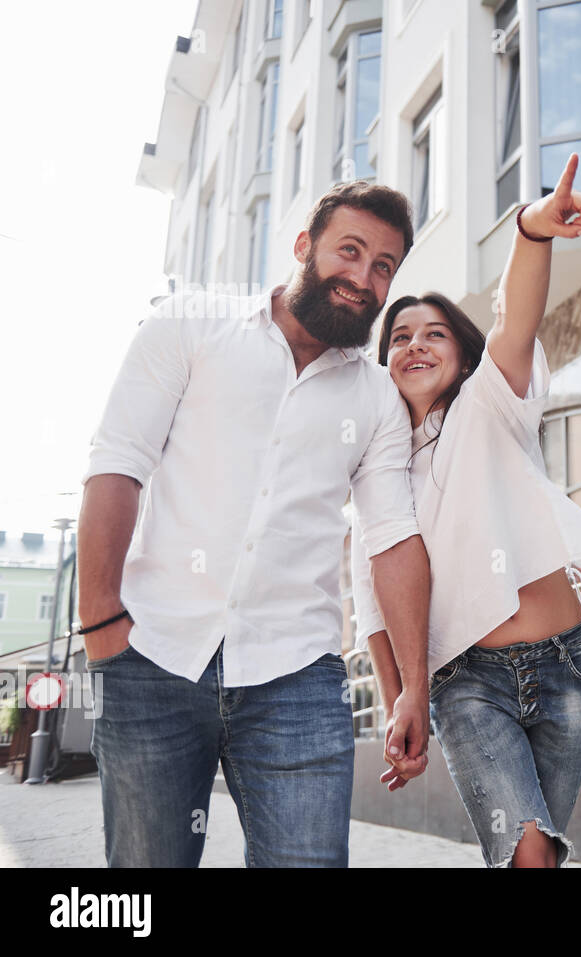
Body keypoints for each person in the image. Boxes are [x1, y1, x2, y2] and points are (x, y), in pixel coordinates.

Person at [78, 182, 433, 867]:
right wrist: (102, 626)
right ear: (303, 246)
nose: (363, 278)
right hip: (152, 654)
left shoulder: (378, 399)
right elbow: (118, 461)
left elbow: (392, 537)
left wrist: (412, 686)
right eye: (349, 251)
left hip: (296, 674)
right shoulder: (191, 325)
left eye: (383, 266)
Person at [350, 153, 581, 867]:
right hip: (467, 684)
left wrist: (531, 231)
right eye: (400, 338)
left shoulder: (491, 404)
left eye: (434, 333)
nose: (415, 344)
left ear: (462, 352)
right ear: (385, 365)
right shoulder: (376, 475)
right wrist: (400, 703)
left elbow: (515, 318)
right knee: (528, 851)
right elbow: (375, 608)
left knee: (538, 857)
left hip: (567, 667)